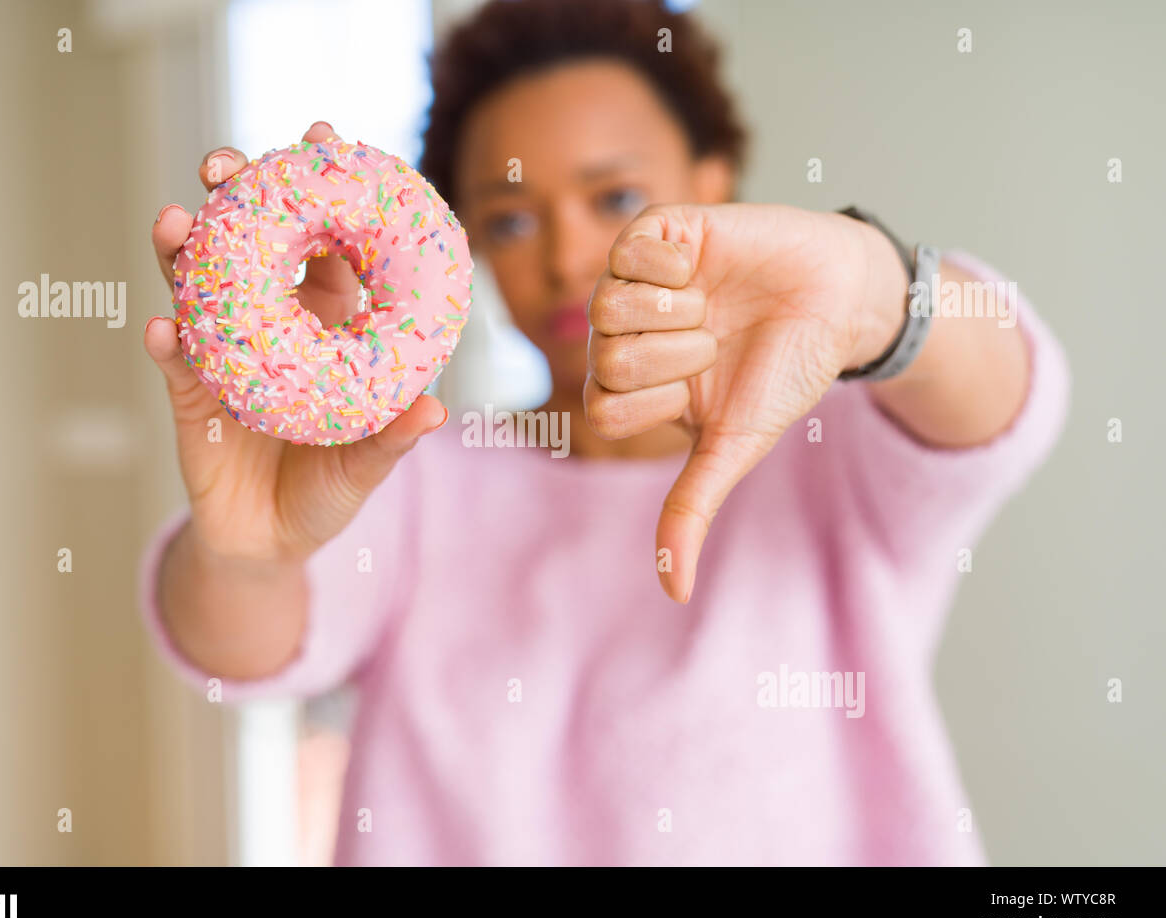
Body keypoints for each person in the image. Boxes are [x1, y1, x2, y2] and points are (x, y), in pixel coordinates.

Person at [141, 0, 1069, 865]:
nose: (566, 257)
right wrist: (245, 552)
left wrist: (876, 290)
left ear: (712, 182)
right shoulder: (410, 470)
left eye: (615, 198)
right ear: (463, 247)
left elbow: (1004, 405)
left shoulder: (835, 450)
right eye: (509, 217)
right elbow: (241, 650)